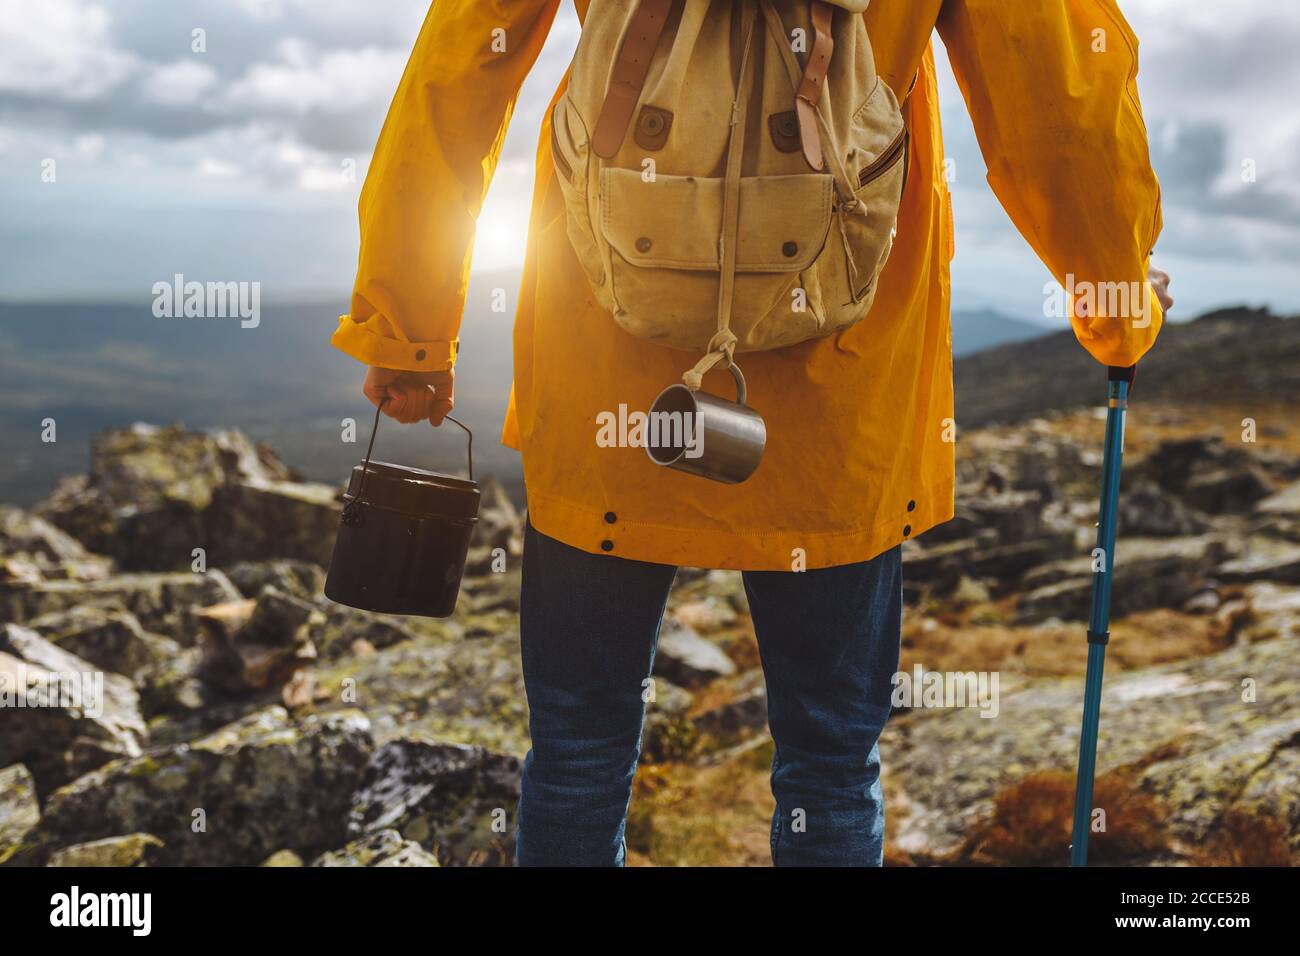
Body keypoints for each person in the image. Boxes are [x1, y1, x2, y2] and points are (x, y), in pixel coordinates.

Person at [332, 0, 1175, 866]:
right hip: (840, 386)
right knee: (831, 765)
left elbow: (458, 69)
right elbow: (1059, 98)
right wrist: (1116, 294)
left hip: (610, 370)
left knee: (580, 747)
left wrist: (408, 325)